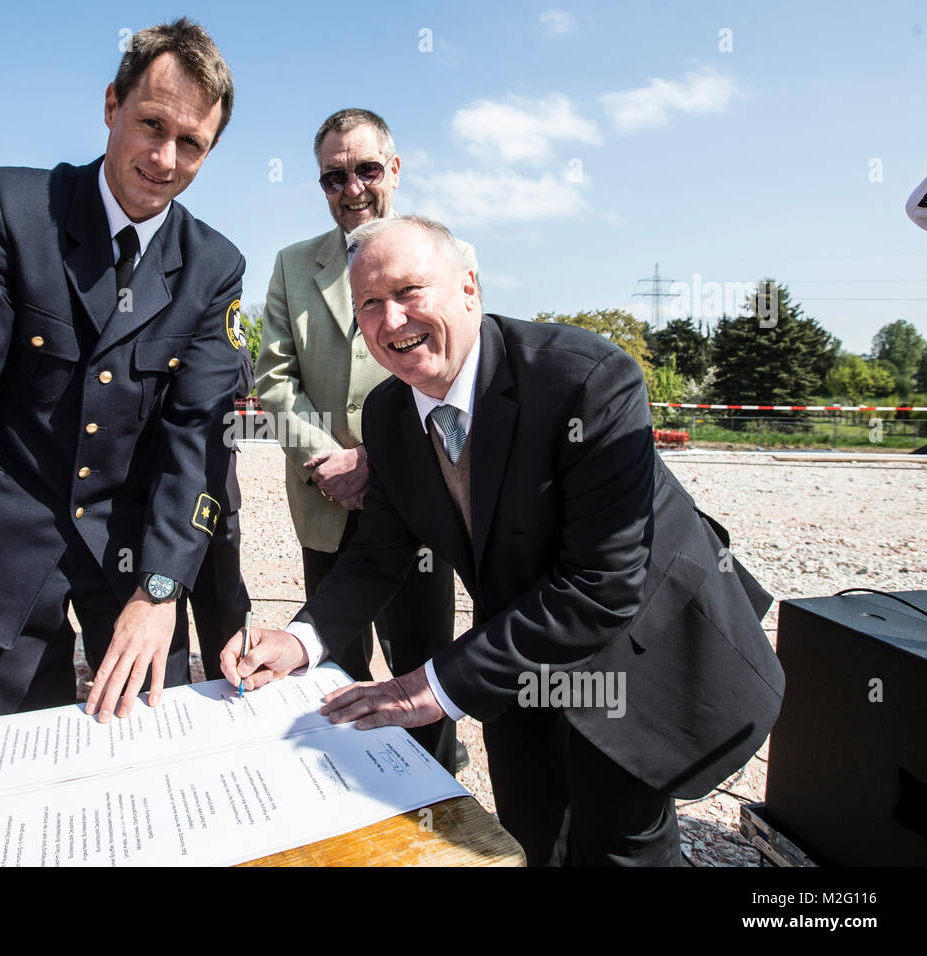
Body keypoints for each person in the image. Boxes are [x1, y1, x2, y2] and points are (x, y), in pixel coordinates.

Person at [224, 216, 785, 866]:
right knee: (526, 830)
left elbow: (601, 587)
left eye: (409, 291)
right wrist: (301, 638)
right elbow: (379, 551)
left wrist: (426, 688)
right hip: (517, 646)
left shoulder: (587, 379)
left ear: (469, 287)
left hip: (635, 648)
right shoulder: (388, 412)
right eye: (370, 304)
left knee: (619, 841)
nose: (391, 319)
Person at [0, 19, 244, 757]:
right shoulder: (12, 211)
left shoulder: (214, 267)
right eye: (152, 124)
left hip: (133, 555)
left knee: (147, 753)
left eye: (192, 144)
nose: (164, 158)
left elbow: (197, 437)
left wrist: (159, 592)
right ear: (112, 103)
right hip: (1, 553)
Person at [255, 108, 476, 772]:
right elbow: (273, 375)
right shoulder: (294, 266)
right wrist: (326, 457)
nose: (351, 189)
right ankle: (348, 794)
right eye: (333, 177)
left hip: (419, 502)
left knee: (422, 665)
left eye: (366, 170)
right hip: (328, 505)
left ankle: (435, 787)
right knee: (333, 664)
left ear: (396, 170)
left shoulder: (449, 257)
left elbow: (456, 372)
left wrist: (378, 459)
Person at [191, 345, 253, 680]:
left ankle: (230, 679)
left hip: (213, 474)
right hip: (143, 473)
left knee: (223, 593)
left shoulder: (219, 308)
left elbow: (244, 379)